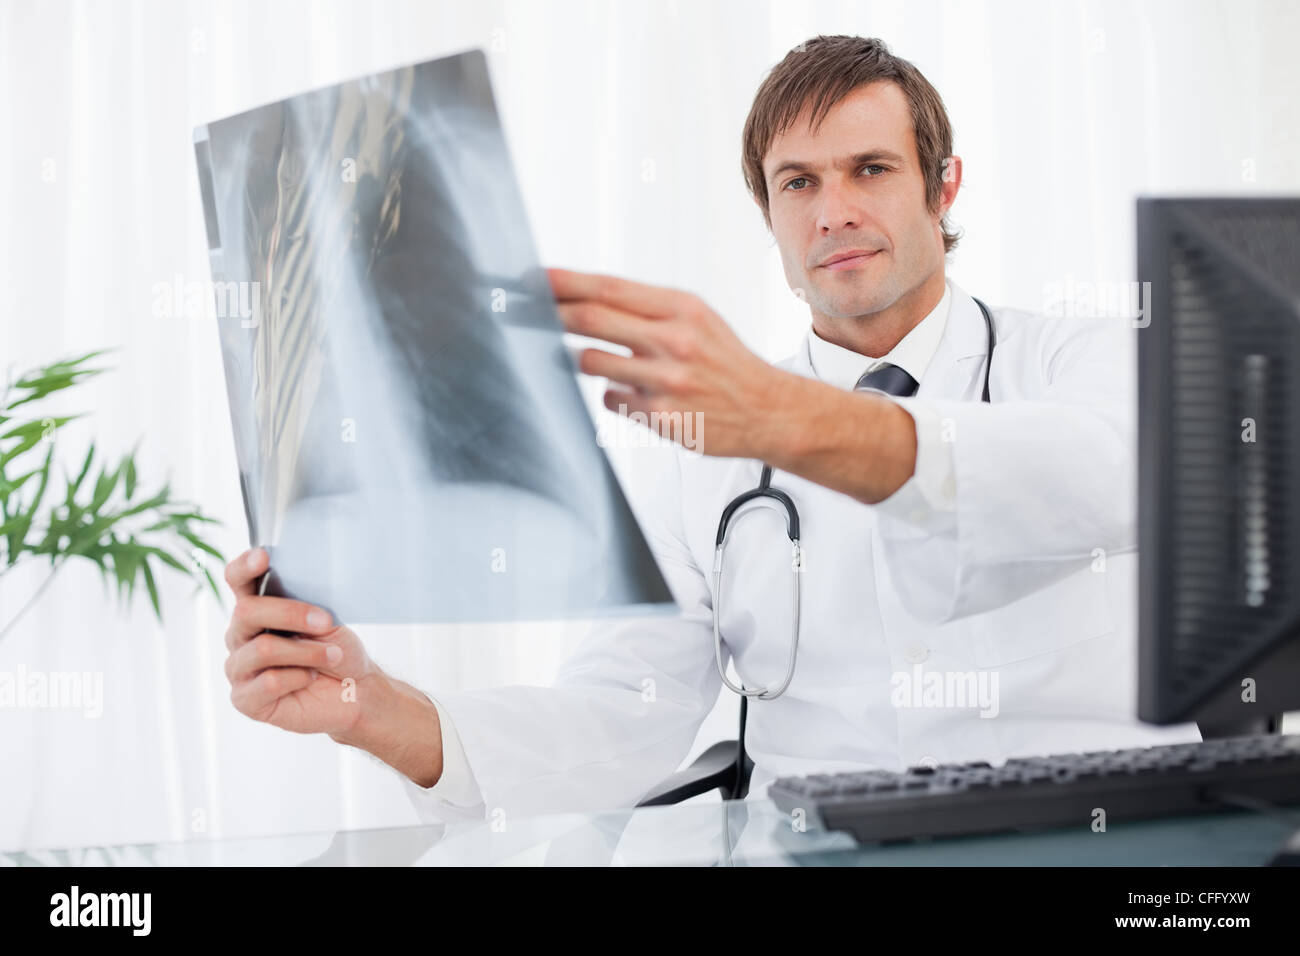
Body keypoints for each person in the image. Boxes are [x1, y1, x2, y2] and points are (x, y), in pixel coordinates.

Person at [221, 35, 1200, 823]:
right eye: (798, 182)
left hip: (1096, 835)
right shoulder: (701, 443)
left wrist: (788, 418)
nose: (835, 210)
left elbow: (1118, 475)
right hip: (821, 847)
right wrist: (378, 711)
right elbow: (626, 711)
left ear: (943, 188)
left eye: (870, 168)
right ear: (768, 212)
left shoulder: (1082, 358)